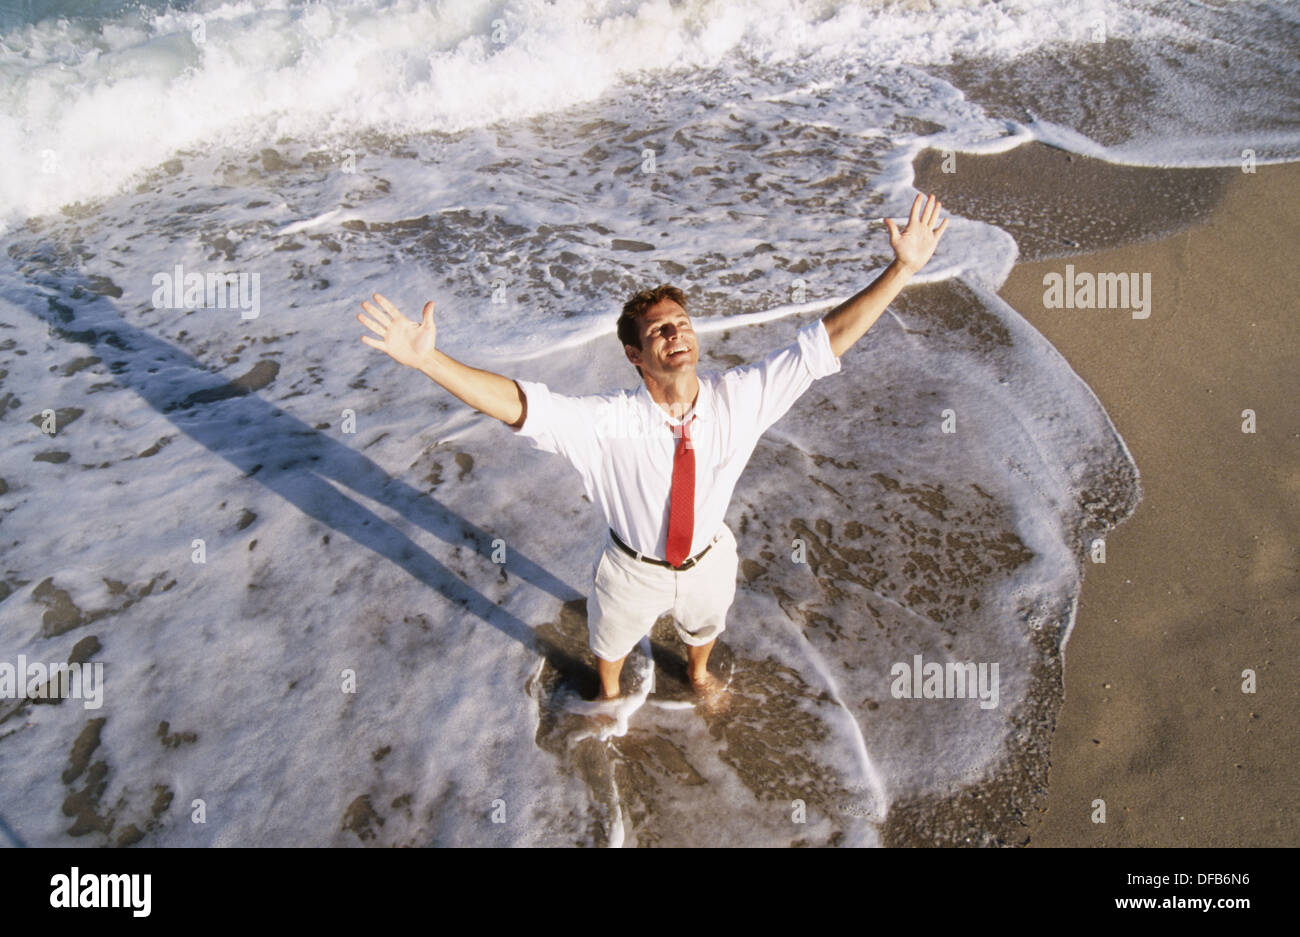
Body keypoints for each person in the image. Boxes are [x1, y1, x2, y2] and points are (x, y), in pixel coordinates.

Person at [357, 193, 948, 704]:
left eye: (683, 322)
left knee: (704, 631)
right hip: (631, 569)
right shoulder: (606, 422)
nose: (677, 333)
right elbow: (519, 404)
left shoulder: (741, 397)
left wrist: (901, 270)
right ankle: (610, 696)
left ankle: (696, 677)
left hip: (709, 558)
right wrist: (428, 359)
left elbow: (822, 345)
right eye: (659, 330)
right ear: (635, 355)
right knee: (608, 647)